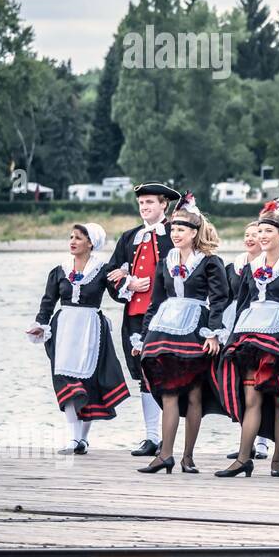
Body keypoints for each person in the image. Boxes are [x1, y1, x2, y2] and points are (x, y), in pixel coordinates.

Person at [213, 198, 279, 479]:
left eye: (268, 231)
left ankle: (278, 459)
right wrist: (231, 336)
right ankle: (244, 458)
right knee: (251, 398)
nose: (262, 236)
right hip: (249, 336)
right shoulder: (251, 266)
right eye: (259, 231)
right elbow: (244, 302)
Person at [130, 194, 229, 474]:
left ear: (194, 233)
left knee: (195, 394)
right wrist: (143, 335)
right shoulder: (166, 260)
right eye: (173, 229)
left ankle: (188, 456)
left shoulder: (210, 261)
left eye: (181, 229)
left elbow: (219, 299)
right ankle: (165, 454)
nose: (175, 234)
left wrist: (213, 334)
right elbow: (156, 299)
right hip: (165, 327)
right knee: (170, 391)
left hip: (195, 327)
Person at [27, 223, 129, 453]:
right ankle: (73, 438)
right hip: (64, 329)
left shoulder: (102, 270)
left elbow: (119, 296)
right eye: (71, 237)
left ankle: (82, 439)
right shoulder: (59, 270)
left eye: (79, 238)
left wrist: (127, 281)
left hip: (91, 329)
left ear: (91, 243)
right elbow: (47, 302)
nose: (72, 241)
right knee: (66, 380)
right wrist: (40, 325)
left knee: (88, 383)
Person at [106, 182, 180, 456]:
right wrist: (128, 284)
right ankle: (151, 437)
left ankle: (169, 439)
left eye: (150, 202)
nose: (145, 207)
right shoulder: (129, 237)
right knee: (144, 376)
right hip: (136, 317)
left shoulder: (176, 233)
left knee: (168, 375)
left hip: (169, 317)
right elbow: (111, 274)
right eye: (141, 203)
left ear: (164, 205)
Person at [223, 221, 271, 463]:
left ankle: (262, 442)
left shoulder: (270, 265)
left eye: (255, 234)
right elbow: (227, 296)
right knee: (243, 385)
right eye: (247, 234)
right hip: (237, 322)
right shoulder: (234, 265)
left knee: (261, 383)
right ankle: (246, 441)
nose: (250, 238)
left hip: (262, 323)